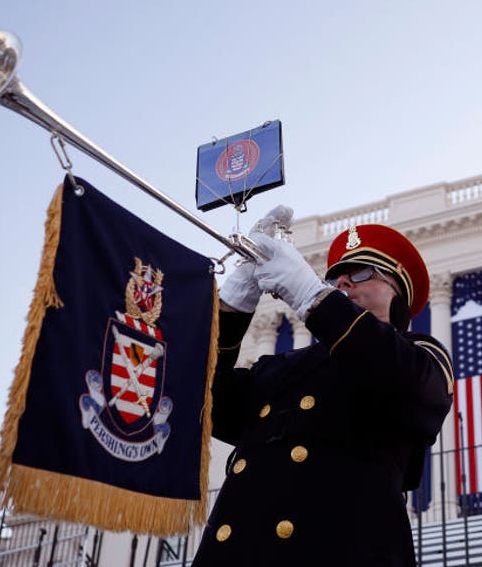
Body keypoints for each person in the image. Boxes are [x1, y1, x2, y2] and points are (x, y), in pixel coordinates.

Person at [193, 221, 454, 566]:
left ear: (397, 290)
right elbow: (206, 401)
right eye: (335, 278)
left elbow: (411, 387)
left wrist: (315, 298)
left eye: (361, 272)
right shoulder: (282, 366)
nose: (343, 281)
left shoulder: (419, 354)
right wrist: (231, 311)